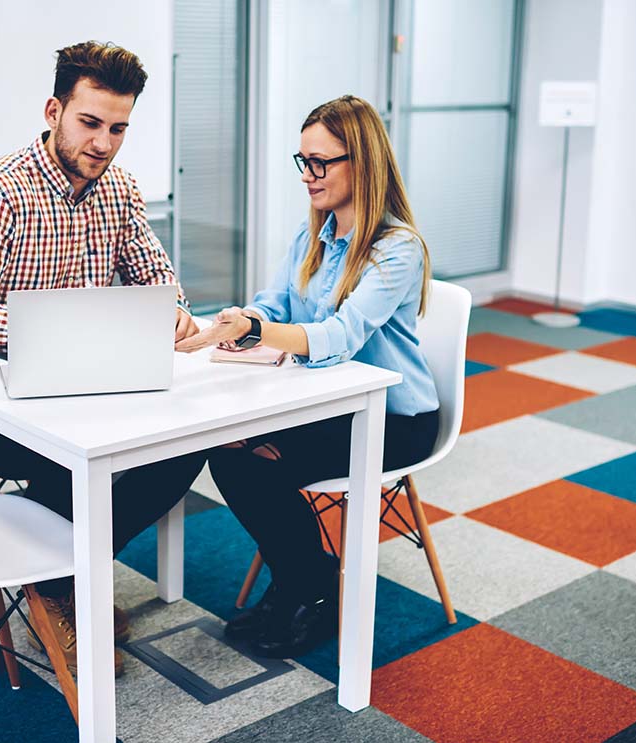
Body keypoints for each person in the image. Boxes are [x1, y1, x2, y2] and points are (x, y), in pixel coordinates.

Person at [0, 41, 206, 676]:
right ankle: (61, 585)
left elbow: (157, 280)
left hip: (87, 389)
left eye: (118, 128)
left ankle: (59, 575)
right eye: (89, 123)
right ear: (54, 110)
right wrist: (58, 329)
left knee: (182, 445)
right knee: (82, 462)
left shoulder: (121, 190)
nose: (104, 144)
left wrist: (172, 311)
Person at [176, 95, 440, 658]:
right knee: (227, 450)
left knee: (256, 463)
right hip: (329, 405)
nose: (308, 177)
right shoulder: (311, 235)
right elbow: (274, 304)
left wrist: (252, 332)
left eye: (321, 163)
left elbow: (339, 338)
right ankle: (310, 581)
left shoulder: (396, 250)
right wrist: (243, 321)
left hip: (395, 418)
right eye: (303, 162)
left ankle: (308, 589)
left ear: (361, 163)